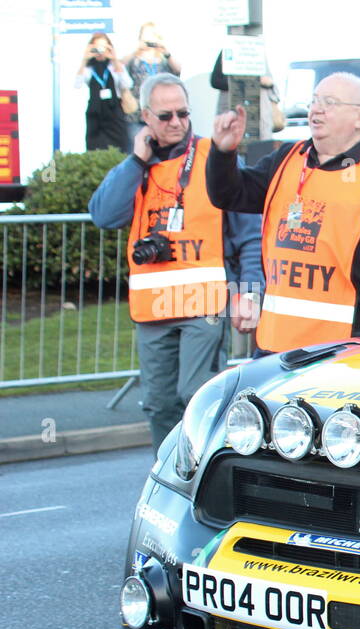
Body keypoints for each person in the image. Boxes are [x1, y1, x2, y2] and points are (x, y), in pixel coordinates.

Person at [88, 74, 262, 452]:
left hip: (205, 305)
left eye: (183, 113)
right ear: (146, 118)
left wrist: (249, 294)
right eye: (165, 116)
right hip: (154, 308)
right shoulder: (139, 166)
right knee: (158, 403)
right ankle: (168, 474)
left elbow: (250, 236)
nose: (176, 122)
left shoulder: (212, 157)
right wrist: (136, 160)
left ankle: (203, 472)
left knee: (195, 396)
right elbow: (104, 215)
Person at [206, 72, 360, 353]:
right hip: (275, 346)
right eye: (314, 101)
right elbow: (230, 194)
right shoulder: (288, 158)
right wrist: (222, 154)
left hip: (344, 350)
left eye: (330, 102)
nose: (316, 109)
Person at [76, 32, 131, 153]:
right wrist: (85, 59)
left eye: (104, 47)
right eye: (97, 47)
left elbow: (127, 84)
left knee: (119, 145)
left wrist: (115, 59)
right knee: (94, 146)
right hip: (95, 111)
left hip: (114, 110)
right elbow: (77, 83)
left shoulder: (114, 66)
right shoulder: (89, 68)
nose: (100, 51)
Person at [124, 23, 182, 136]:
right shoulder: (134, 59)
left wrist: (166, 52)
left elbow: (178, 69)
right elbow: (119, 67)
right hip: (137, 112)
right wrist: (136, 50)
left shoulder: (163, 58)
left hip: (161, 112)